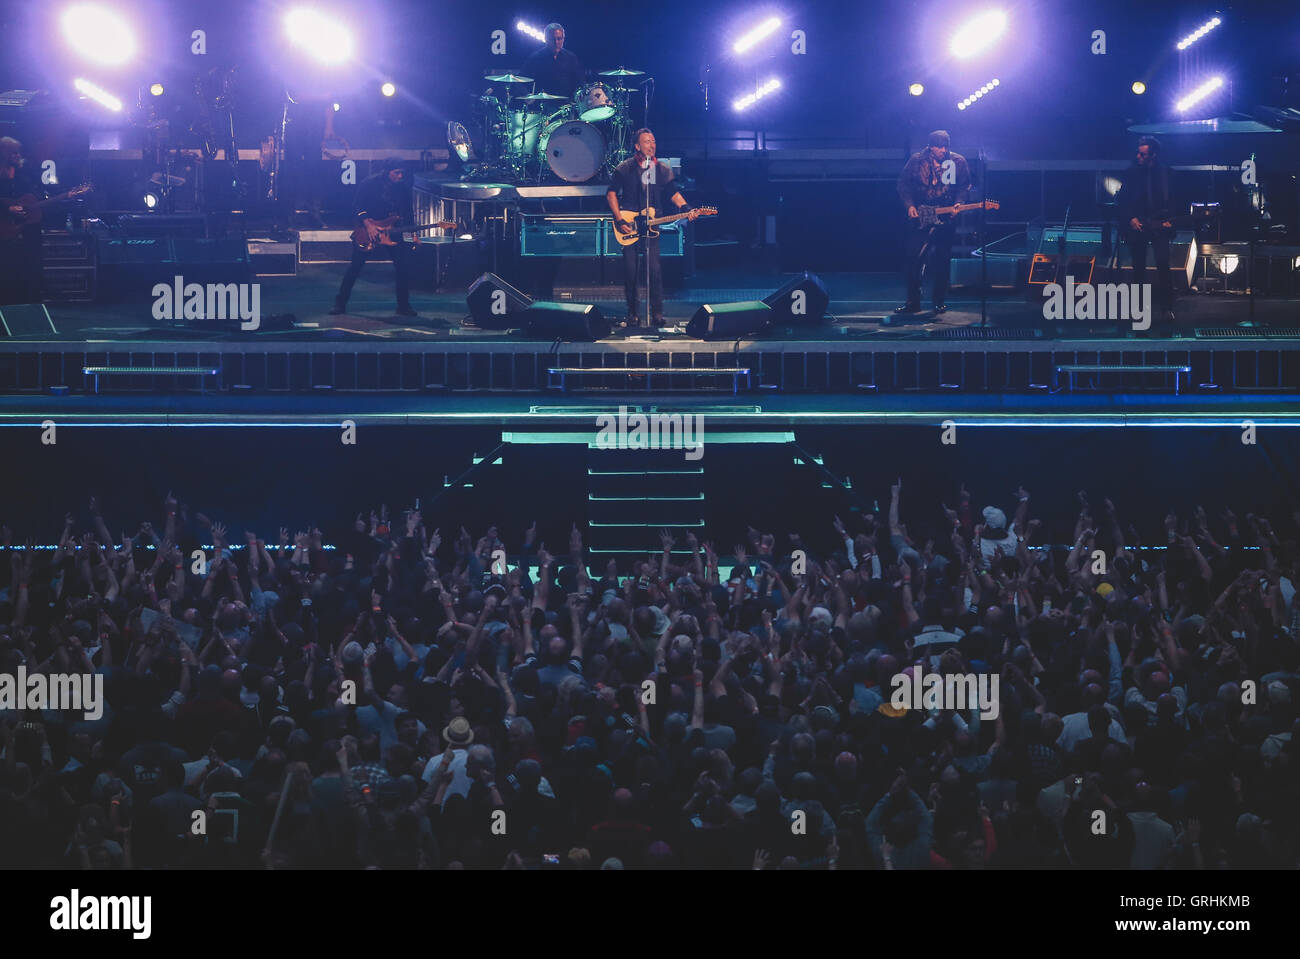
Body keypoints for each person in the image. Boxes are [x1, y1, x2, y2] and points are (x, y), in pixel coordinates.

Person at [606, 129, 700, 329]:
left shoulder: (662, 169)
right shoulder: (625, 168)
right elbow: (611, 193)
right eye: (647, 142)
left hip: (652, 224)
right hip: (629, 223)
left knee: (654, 271)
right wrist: (619, 218)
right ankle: (633, 313)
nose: (652, 145)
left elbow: (673, 193)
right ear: (637, 146)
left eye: (654, 141)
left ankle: (657, 313)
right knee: (631, 272)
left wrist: (687, 209)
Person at [895, 130, 971, 316]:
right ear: (930, 146)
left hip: (945, 216)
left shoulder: (957, 162)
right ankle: (913, 301)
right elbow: (903, 184)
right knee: (914, 258)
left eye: (946, 147)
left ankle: (939, 301)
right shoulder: (916, 160)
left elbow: (964, 186)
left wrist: (959, 203)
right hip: (921, 215)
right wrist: (910, 205)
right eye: (939, 147)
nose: (943, 150)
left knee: (942, 259)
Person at [330, 159, 417, 317]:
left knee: (402, 268)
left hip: (393, 231)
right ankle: (340, 303)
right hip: (368, 229)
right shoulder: (369, 183)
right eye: (396, 173)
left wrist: (413, 235)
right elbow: (357, 206)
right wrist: (369, 225)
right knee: (355, 267)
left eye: (401, 173)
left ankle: (403, 306)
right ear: (387, 171)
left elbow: (408, 213)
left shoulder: (403, 189)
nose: (399, 176)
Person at [1116, 135, 1175, 328]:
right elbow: (1123, 200)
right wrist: (1131, 218)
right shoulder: (1132, 173)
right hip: (1139, 225)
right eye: (1138, 153)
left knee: (1163, 264)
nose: (1138, 157)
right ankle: (1138, 309)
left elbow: (1174, 200)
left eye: (1143, 154)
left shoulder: (1166, 173)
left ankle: (1166, 308)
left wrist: (1170, 222)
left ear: (1153, 155)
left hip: (1159, 224)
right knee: (1138, 268)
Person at [0, 137, 44, 305]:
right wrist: (7, 209)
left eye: (18, 152)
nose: (17, 155)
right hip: (3, 231)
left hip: (24, 232)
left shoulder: (24, 173)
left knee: (26, 269)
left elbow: (34, 194)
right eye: (13, 152)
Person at [521, 23, 584, 99]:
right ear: (546, 39)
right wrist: (527, 96)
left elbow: (580, 82)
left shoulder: (571, 58)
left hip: (567, 106)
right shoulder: (535, 58)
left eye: (559, 38)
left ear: (563, 39)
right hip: (543, 106)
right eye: (552, 39)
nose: (556, 42)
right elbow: (521, 80)